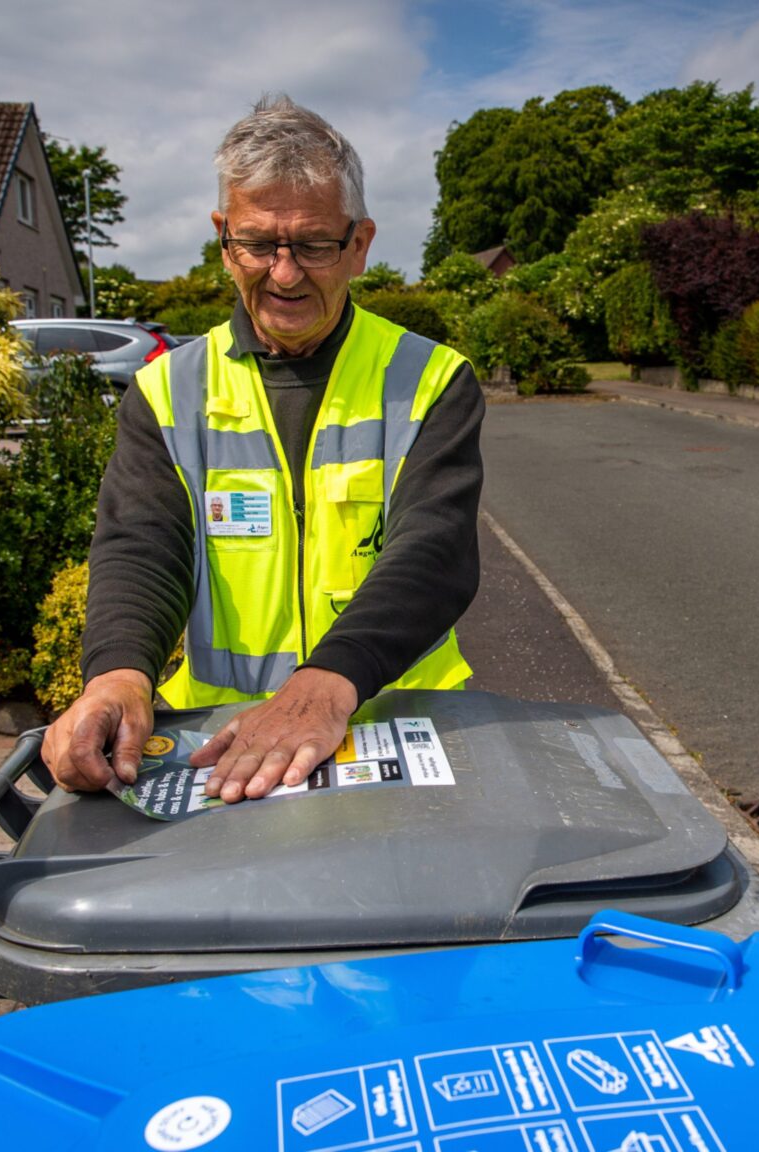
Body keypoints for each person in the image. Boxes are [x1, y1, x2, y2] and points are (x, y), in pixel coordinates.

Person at [41, 95, 483, 804]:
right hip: (218, 744)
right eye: (258, 244)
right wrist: (119, 674)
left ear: (360, 244)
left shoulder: (432, 379)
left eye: (311, 245)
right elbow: (141, 547)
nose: (283, 273)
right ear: (224, 238)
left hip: (403, 732)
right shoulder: (164, 392)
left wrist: (326, 684)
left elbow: (434, 551)